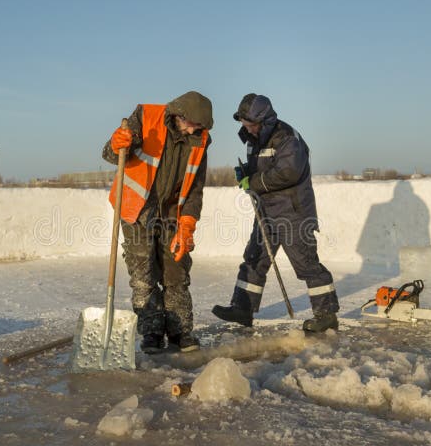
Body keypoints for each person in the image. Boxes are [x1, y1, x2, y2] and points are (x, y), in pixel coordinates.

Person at [212, 93, 340, 333]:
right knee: (254, 258)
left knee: (306, 264)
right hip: (266, 211)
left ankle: (326, 315)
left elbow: (288, 172)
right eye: (244, 125)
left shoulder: (287, 138)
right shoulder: (254, 140)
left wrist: (254, 182)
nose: (247, 129)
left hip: (293, 212)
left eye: (250, 124)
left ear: (264, 120)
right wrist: (245, 173)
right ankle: (242, 308)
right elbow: (258, 169)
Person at [102, 91, 213, 354]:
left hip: (173, 212)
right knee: (143, 275)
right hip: (137, 208)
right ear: (179, 115)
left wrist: (188, 224)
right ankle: (151, 332)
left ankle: (179, 331)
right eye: (192, 124)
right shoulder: (146, 116)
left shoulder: (200, 140)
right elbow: (111, 154)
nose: (194, 130)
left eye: (200, 127)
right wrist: (117, 144)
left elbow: (195, 187)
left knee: (176, 270)